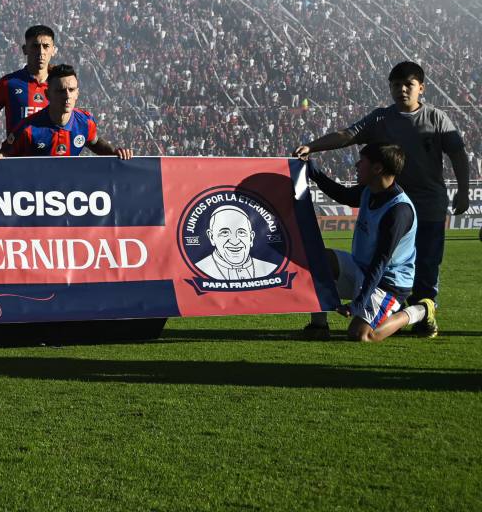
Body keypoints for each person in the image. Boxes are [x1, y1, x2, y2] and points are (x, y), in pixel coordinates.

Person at [293, 61, 468, 337]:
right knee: (381, 258)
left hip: (427, 207)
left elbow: (458, 154)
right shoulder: (380, 119)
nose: (401, 90)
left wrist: (464, 189)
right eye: (396, 85)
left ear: (421, 88)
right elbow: (347, 135)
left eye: (408, 84)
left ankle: (424, 313)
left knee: (425, 267)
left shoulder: (436, 119)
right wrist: (313, 147)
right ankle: (370, 312)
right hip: (386, 199)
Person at [297, 143, 431, 343]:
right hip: (360, 268)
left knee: (362, 335)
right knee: (317, 259)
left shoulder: (398, 211)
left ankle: (420, 310)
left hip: (388, 283)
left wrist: (358, 302)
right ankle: (319, 326)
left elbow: (381, 261)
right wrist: (313, 170)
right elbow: (343, 195)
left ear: (377, 168)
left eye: (362, 162)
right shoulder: (370, 190)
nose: (356, 165)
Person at [0, 64, 133, 159]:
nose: (67, 96)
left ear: (77, 93)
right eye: (61, 91)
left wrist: (115, 152)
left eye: (71, 90)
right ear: (47, 94)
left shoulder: (85, 122)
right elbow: (5, 155)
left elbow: (95, 142)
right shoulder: (28, 128)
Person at [0, 24, 58, 137]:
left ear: (53, 50)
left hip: (52, 154)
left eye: (46, 46)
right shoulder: (8, 83)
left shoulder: (61, 85)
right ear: (25, 49)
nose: (41, 52)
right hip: (18, 154)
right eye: (35, 46)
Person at [194, 206, 279, 279]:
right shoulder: (198, 269)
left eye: (241, 232)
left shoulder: (271, 268)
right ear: (212, 237)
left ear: (251, 237)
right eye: (225, 232)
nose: (234, 242)